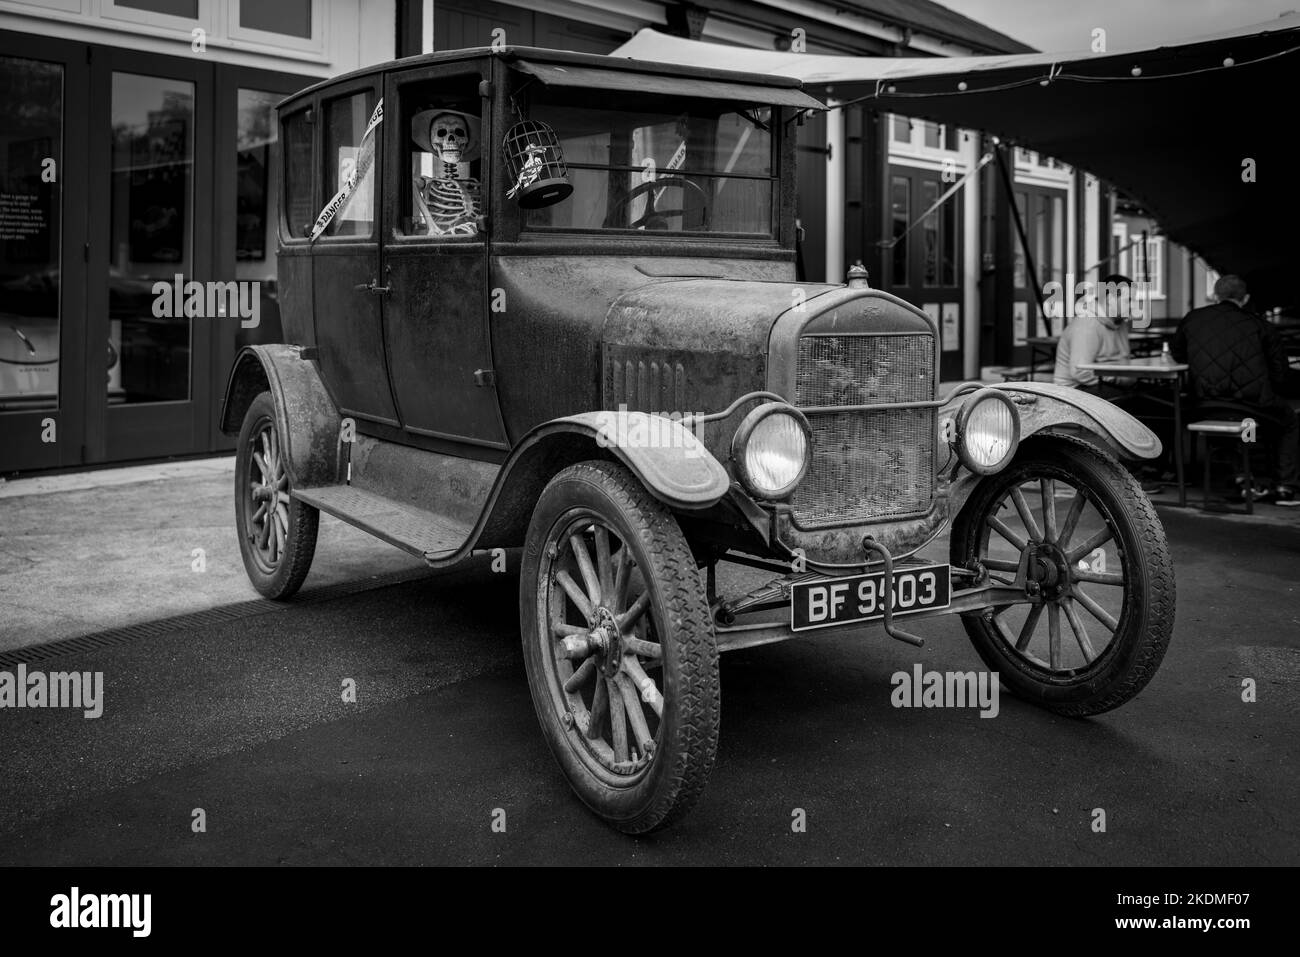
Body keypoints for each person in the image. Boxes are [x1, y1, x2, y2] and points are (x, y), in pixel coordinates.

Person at [1171, 274, 1297, 500]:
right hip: (1252, 408)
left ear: (1215, 296)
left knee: (1233, 424)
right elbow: (1281, 378)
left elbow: (1177, 356)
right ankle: (1285, 486)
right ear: (1245, 298)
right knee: (1289, 421)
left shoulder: (1193, 319)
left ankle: (1242, 476)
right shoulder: (1262, 326)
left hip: (1204, 404)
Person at [1053, 273, 1135, 394]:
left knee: (1154, 395)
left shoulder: (1120, 322)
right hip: (1073, 391)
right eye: (1128, 300)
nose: (1133, 305)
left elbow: (1124, 358)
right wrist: (1120, 379)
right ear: (1109, 299)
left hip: (1102, 384)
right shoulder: (1087, 324)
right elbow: (1080, 372)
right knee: (1140, 402)